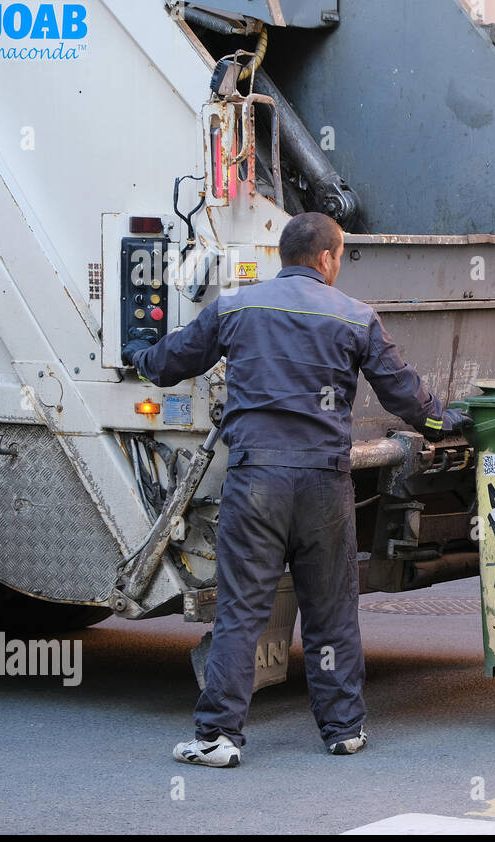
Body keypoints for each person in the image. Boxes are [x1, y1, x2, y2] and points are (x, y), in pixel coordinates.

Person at [124, 212, 469, 766]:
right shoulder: (357, 317)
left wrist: (140, 359)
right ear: (328, 258)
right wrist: (443, 423)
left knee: (241, 610)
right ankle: (344, 729)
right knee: (331, 608)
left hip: (256, 479)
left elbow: (172, 362)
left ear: (282, 257)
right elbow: (403, 395)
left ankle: (219, 737)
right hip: (323, 485)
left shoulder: (237, 306)